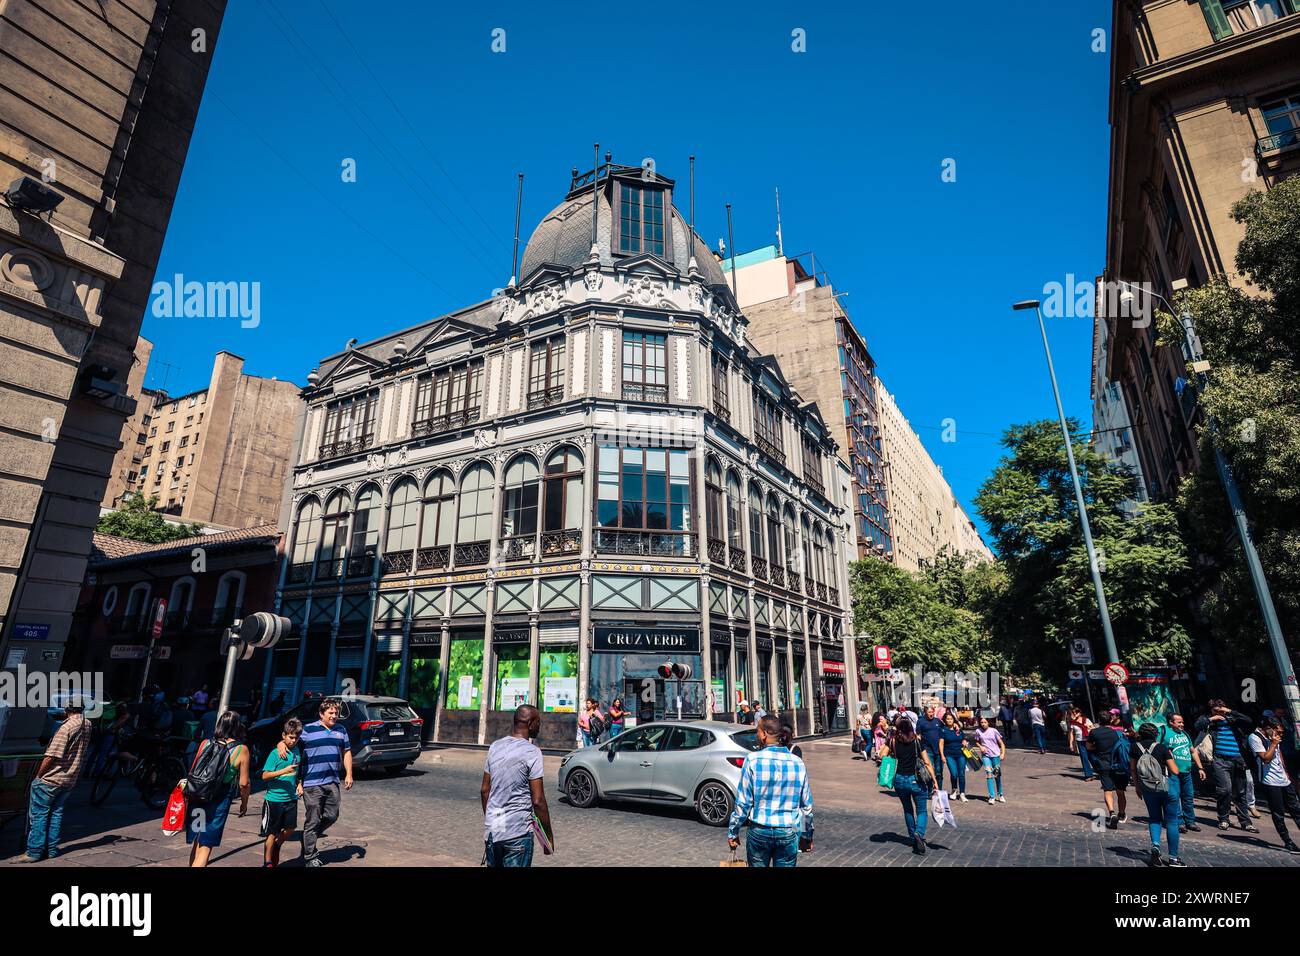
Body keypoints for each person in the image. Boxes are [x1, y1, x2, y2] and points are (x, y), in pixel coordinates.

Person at [726, 715, 813, 866]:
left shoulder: (752, 760)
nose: (757, 735)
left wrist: (733, 831)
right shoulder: (797, 763)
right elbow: (806, 806)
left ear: (765, 734)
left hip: (760, 830)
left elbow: (743, 802)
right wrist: (806, 835)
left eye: (758, 731)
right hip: (788, 830)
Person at [15, 699, 91, 863]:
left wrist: (38, 776)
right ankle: (51, 850)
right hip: (70, 778)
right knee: (56, 813)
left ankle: (34, 851)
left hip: (52, 778)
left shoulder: (66, 727)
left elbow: (51, 756)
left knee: (39, 814)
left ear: (67, 709)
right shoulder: (87, 724)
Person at [481, 704, 554, 867]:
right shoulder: (532, 752)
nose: (539, 726)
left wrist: (494, 819)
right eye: (538, 722)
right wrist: (548, 837)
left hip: (493, 832)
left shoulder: (495, 746)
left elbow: (485, 790)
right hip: (518, 834)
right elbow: (538, 800)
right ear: (530, 723)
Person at [186, 710, 251, 867]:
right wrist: (244, 803)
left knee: (197, 840)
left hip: (198, 797)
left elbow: (194, 770)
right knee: (206, 847)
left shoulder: (205, 743)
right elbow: (244, 783)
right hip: (218, 802)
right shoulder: (241, 749)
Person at [299, 697, 354, 867]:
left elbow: (347, 752)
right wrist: (280, 745)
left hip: (332, 781)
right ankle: (309, 856)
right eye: (330, 713)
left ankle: (309, 836)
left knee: (332, 815)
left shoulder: (341, 730)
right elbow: (291, 744)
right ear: (321, 714)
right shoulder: (308, 730)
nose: (334, 716)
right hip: (311, 783)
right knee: (313, 819)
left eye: (336, 713)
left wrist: (349, 774)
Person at [1195, 700, 1258, 833]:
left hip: (1238, 759)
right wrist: (1212, 718)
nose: (1219, 713)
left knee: (1240, 792)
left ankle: (1245, 821)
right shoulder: (1209, 721)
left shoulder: (1233, 718)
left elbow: (1249, 721)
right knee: (1225, 790)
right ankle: (1224, 819)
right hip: (1220, 759)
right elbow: (1198, 725)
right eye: (1215, 710)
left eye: (1220, 710)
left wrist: (1230, 712)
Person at [1131, 721, 1186, 867]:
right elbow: (1175, 771)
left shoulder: (1135, 747)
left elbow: (1133, 770)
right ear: (1156, 734)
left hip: (1148, 789)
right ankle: (1173, 858)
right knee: (1172, 822)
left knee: (1154, 819)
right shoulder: (1161, 748)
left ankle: (1156, 845)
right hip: (1167, 788)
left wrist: (1137, 787)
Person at [881, 716, 936, 854]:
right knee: (922, 810)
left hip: (899, 780)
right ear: (911, 727)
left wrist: (891, 745)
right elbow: (927, 762)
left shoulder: (893, 740)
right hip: (916, 780)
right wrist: (934, 781)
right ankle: (919, 834)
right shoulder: (917, 741)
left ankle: (913, 838)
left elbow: (882, 755)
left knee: (907, 809)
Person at [1248, 716, 1300, 852]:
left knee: (1296, 809)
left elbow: (1278, 755)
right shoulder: (1255, 738)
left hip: (1284, 779)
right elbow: (1265, 758)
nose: (1280, 735)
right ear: (1268, 729)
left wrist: (1286, 771)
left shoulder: (1274, 738)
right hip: (1270, 781)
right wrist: (1274, 744)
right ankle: (1287, 841)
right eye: (1278, 732)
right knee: (1278, 813)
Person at [260, 718, 302, 868]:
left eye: (296, 737)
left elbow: (296, 773)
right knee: (271, 832)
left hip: (291, 798)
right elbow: (264, 775)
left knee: (290, 829)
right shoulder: (275, 754)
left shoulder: (297, 750)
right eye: (291, 737)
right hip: (274, 799)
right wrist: (284, 770)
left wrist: (299, 784)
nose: (293, 740)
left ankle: (278, 844)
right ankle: (267, 862)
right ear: (284, 735)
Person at [1159, 714, 1204, 833]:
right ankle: (1179, 822)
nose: (1182, 724)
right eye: (1179, 722)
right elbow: (1157, 747)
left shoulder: (1185, 734)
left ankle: (1190, 821)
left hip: (1187, 772)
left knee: (1188, 797)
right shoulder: (1163, 731)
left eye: (1182, 722)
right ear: (1171, 722)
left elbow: (1193, 751)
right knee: (1174, 797)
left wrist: (1200, 768)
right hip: (1172, 772)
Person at [1087, 711, 1131, 829]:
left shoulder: (1094, 732)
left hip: (1104, 764)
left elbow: (1089, 747)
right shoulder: (1118, 733)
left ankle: (1112, 813)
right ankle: (1121, 814)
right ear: (1110, 720)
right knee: (1120, 791)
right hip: (1119, 764)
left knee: (1107, 790)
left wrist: (1099, 747)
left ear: (1099, 720)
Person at [975, 716, 1006, 804]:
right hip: (986, 756)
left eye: (985, 722)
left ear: (988, 722)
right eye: (982, 722)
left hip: (995, 755)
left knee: (997, 775)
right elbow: (977, 741)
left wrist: (1002, 753)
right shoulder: (978, 731)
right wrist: (981, 747)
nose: (983, 724)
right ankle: (991, 796)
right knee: (989, 774)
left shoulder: (993, 731)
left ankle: (1000, 794)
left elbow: (1002, 744)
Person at [938, 711, 968, 802]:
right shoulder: (943, 730)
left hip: (961, 754)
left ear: (953, 719)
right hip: (949, 755)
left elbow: (963, 738)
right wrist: (942, 756)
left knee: (961, 774)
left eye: (951, 719)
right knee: (954, 774)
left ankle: (962, 793)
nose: (949, 720)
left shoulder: (958, 729)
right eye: (947, 719)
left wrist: (964, 741)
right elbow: (941, 744)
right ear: (945, 720)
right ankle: (954, 790)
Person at [1068, 707, 1095, 781]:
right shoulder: (1072, 722)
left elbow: (1093, 728)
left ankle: (1100, 771)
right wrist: (1071, 744)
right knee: (1084, 758)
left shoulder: (1086, 720)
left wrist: (1088, 726)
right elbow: (1071, 734)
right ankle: (1088, 775)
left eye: (1074, 713)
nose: (1073, 715)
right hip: (1080, 741)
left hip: (1089, 740)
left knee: (1092, 757)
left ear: (1079, 713)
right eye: (1072, 713)